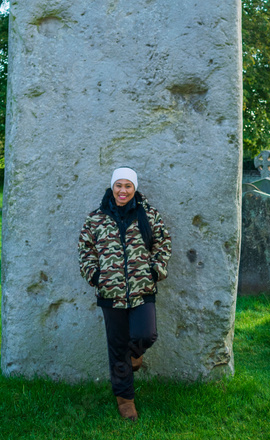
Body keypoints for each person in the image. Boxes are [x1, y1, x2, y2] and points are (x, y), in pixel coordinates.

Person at [78, 166, 172, 422]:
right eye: (118, 185)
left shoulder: (149, 215)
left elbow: (162, 243)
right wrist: (95, 276)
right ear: (112, 187)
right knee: (117, 346)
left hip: (143, 289)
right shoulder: (96, 218)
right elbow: (86, 249)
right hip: (111, 293)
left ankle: (135, 356)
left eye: (128, 186)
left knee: (146, 334)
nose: (123, 190)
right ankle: (125, 400)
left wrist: (155, 270)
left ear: (134, 188)